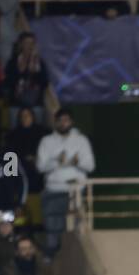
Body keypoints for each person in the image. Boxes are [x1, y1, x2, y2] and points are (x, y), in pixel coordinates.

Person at [36, 108, 95, 257]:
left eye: (66, 120)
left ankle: (75, 259)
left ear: (71, 122)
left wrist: (77, 162)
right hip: (53, 190)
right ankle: (51, 256)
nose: (63, 123)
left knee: (75, 230)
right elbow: (40, 166)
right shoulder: (46, 141)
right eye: (60, 120)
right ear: (55, 122)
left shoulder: (81, 140)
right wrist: (57, 161)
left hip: (76, 191)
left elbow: (90, 166)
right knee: (52, 228)